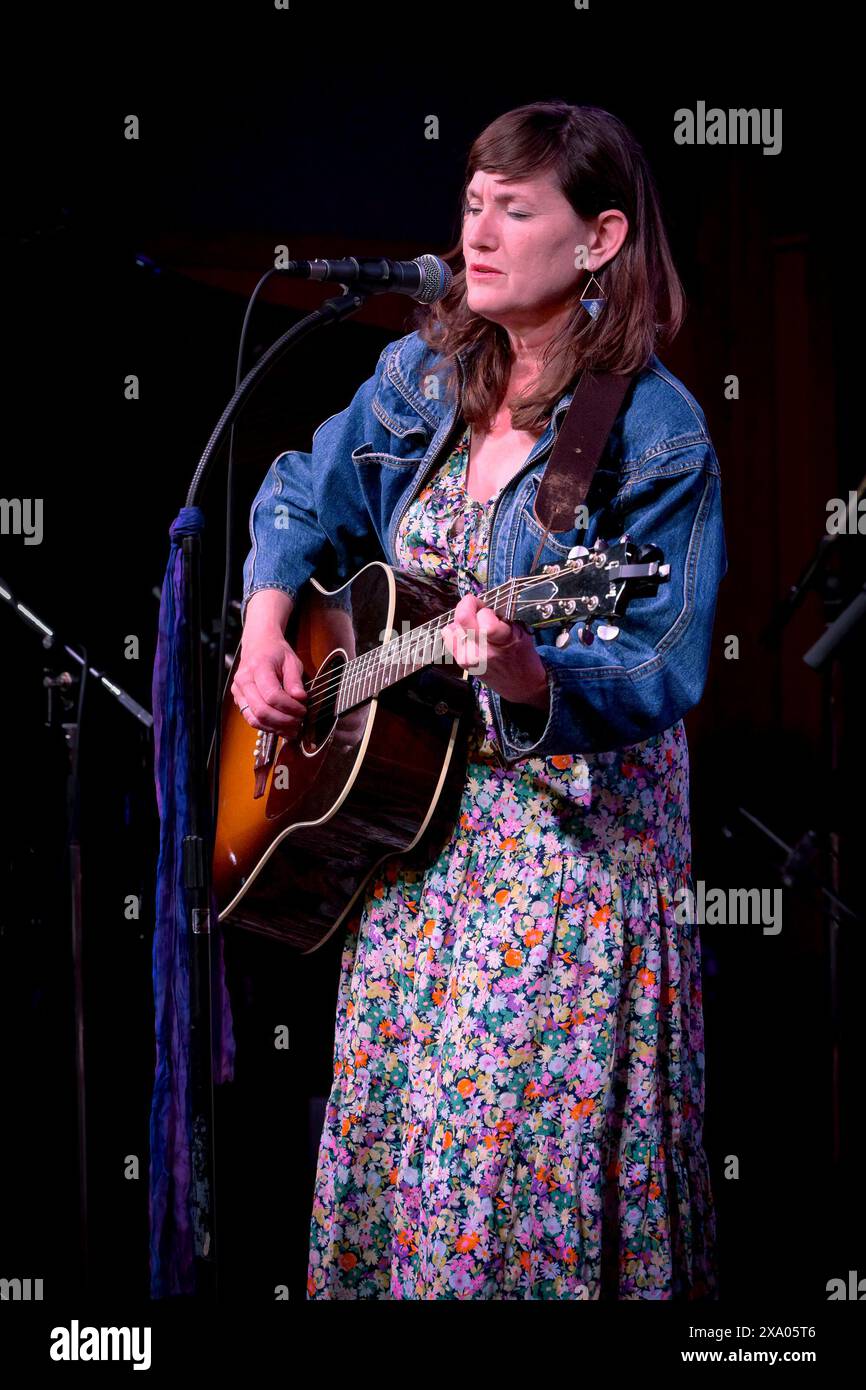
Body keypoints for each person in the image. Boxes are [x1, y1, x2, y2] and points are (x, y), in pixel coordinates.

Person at [234, 100, 726, 1300]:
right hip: (412, 872)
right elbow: (305, 488)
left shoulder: (648, 430)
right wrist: (263, 616)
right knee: (399, 1209)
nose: (480, 233)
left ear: (599, 238)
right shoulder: (423, 370)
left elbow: (655, 656)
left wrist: (526, 673)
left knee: (501, 1225)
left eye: (516, 209)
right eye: (471, 205)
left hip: (558, 881)